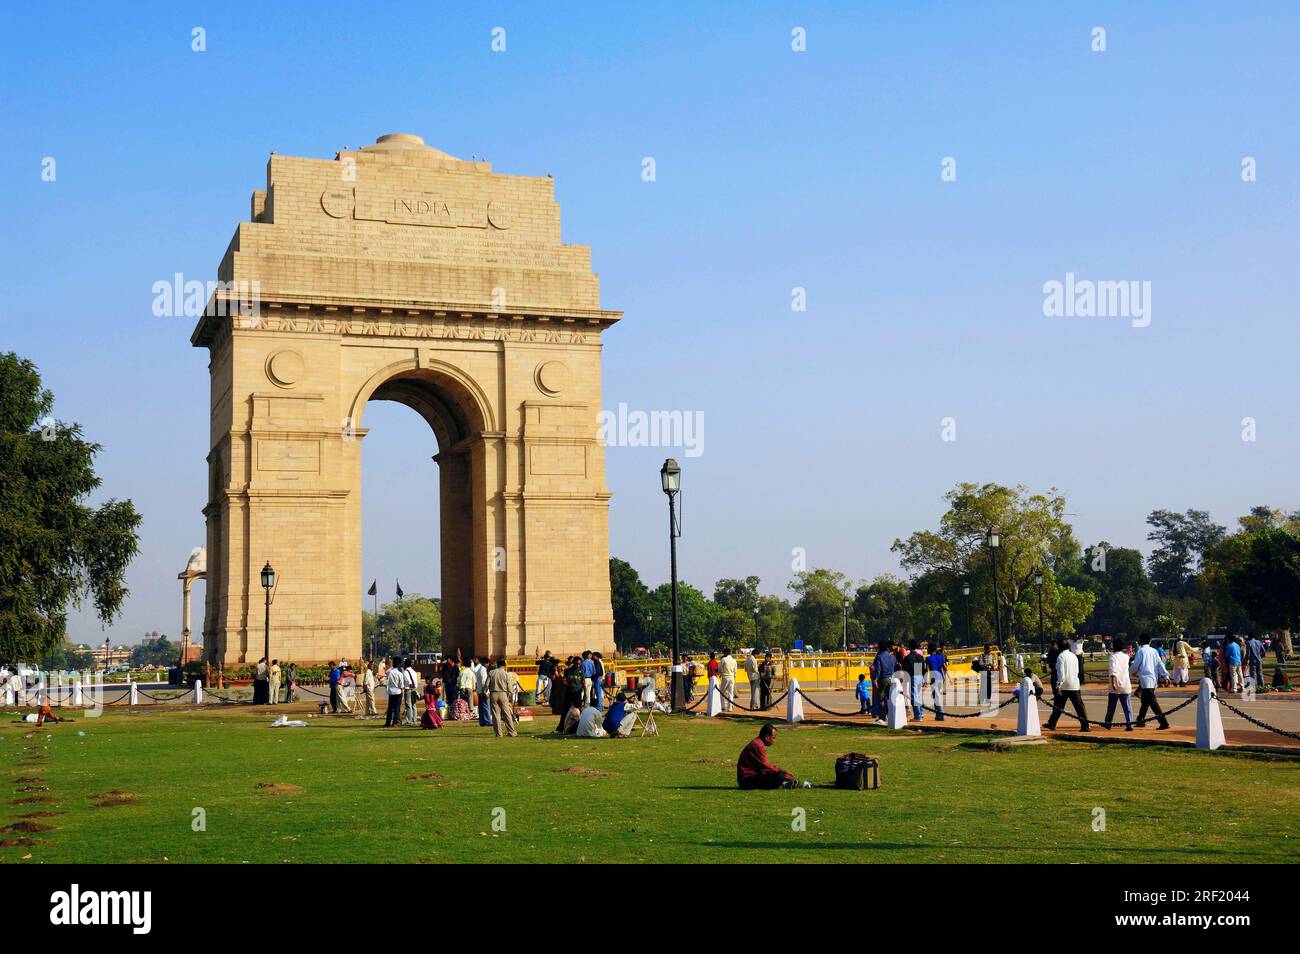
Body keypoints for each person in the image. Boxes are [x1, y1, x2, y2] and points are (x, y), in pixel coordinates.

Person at [736, 724, 806, 789]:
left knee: (777, 774)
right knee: (779, 776)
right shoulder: (757, 746)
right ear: (767, 737)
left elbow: (762, 766)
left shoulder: (758, 743)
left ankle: (783, 783)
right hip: (746, 780)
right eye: (773, 738)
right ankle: (783, 784)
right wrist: (782, 772)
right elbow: (765, 766)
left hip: (750, 777)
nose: (774, 740)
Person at [1045, 642, 1089, 732]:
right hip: (1074, 684)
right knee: (1079, 706)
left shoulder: (1061, 656)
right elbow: (1077, 670)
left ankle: (1052, 723)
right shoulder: (1073, 656)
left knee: (1058, 706)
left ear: (1060, 647)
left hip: (1064, 685)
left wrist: (1059, 685)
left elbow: (1061, 673)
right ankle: (1085, 726)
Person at [1131, 634, 1171, 729]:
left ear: (1140, 641)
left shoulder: (1140, 651)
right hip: (1153, 680)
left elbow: (1136, 665)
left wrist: (1129, 673)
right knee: (1145, 701)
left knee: (1152, 702)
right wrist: (1166, 676)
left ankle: (1164, 722)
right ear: (1149, 641)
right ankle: (1140, 720)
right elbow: (1160, 664)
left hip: (1145, 680)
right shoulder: (1154, 651)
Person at [1103, 638, 1134, 731]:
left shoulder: (1113, 657)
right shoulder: (1126, 657)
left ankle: (1108, 723)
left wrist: (1113, 683)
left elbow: (1113, 671)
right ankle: (1130, 724)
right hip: (1125, 684)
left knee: (1111, 707)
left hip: (1116, 684)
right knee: (1127, 707)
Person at [486, 658, 518, 737]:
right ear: (504, 665)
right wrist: (513, 692)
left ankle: (499, 733)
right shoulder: (506, 674)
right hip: (503, 694)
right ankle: (512, 732)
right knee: (507, 714)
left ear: (497, 665)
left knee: (496, 715)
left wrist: (485, 692)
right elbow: (509, 688)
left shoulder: (491, 672)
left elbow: (486, 685)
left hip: (493, 694)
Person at [902, 641, 926, 720]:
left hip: (913, 676)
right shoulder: (920, 656)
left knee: (914, 696)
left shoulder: (908, 657)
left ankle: (917, 715)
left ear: (909, 647)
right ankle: (921, 712)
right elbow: (923, 668)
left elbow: (906, 670)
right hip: (920, 676)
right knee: (918, 696)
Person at [928, 642, 948, 720]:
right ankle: (938, 715)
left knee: (936, 697)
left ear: (930, 649)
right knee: (936, 696)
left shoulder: (928, 658)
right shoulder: (940, 657)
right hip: (940, 677)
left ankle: (941, 714)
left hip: (934, 678)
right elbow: (945, 668)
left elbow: (927, 669)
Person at [384, 656, 404, 727]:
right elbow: (401, 686)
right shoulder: (400, 674)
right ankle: (395, 722)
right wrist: (403, 694)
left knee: (390, 708)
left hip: (391, 692)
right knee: (397, 708)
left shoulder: (389, 672)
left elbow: (386, 672)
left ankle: (387, 723)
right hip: (398, 692)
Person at [473, 656, 493, 727]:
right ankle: (488, 721)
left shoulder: (479, 670)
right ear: (486, 663)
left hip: (479, 690)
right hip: (483, 691)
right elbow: (484, 683)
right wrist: (486, 692)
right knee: (486, 707)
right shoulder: (483, 670)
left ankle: (482, 722)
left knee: (481, 707)